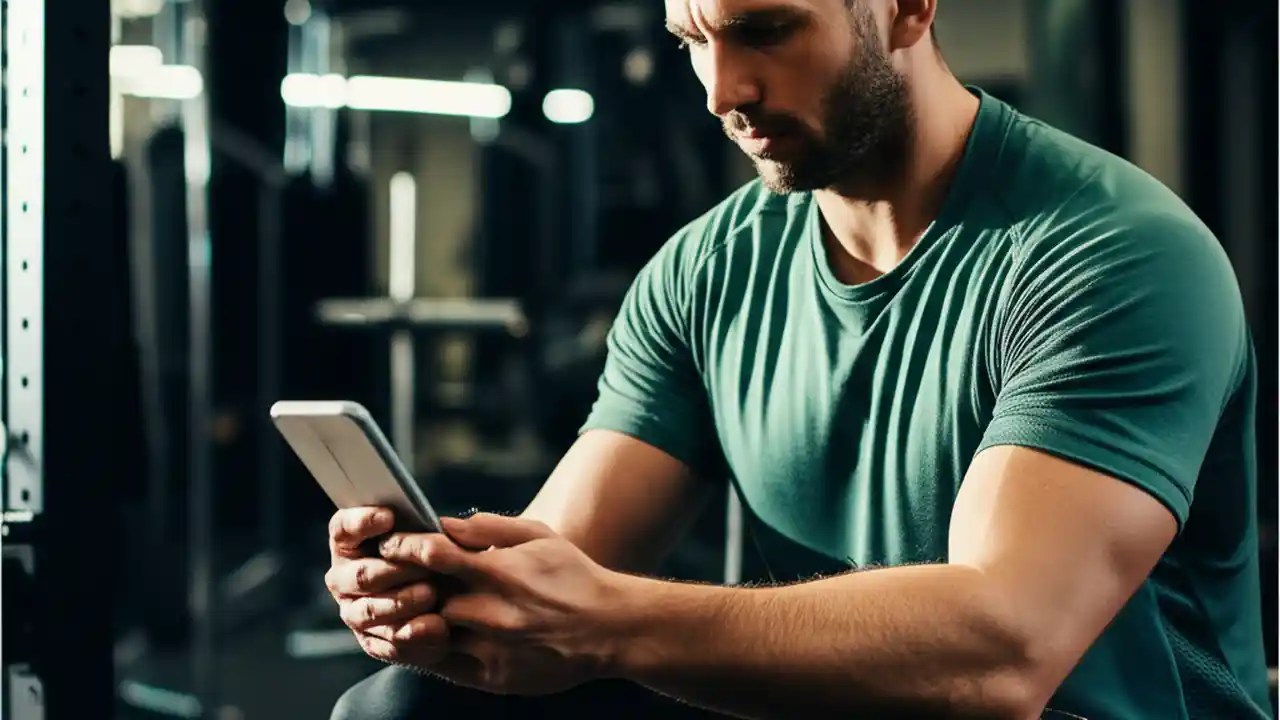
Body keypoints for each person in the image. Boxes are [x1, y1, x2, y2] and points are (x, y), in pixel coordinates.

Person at [327, 0, 1272, 718]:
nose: (720, 91)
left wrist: (604, 621)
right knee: (403, 704)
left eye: (766, 32)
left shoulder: (1115, 253)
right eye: (693, 40)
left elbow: (1002, 650)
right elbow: (567, 563)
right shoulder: (708, 270)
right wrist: (447, 596)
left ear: (906, 7)